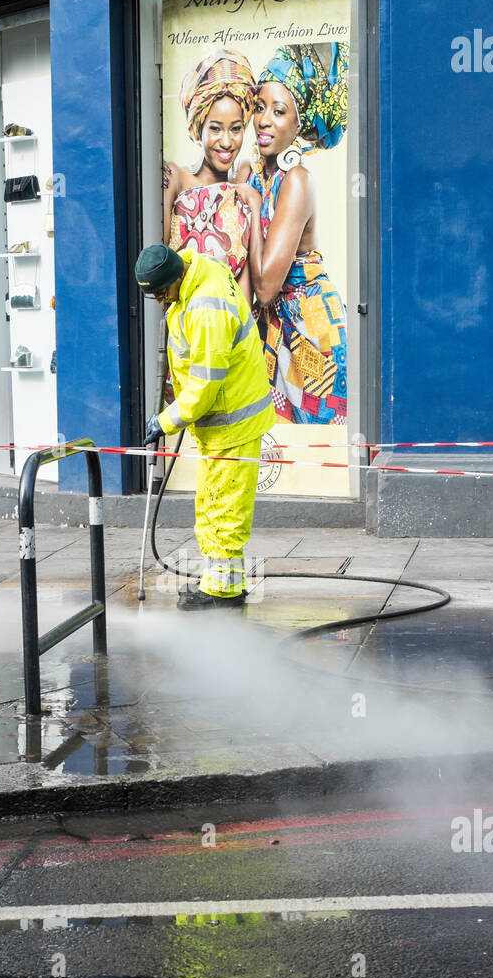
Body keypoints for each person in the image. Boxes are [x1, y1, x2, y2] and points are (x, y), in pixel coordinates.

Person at [135, 243, 275, 610]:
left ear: (175, 279)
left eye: (161, 295)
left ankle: (224, 594)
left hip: (233, 421)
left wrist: (164, 421)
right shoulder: (198, 266)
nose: (160, 303)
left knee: (224, 510)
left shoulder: (206, 309)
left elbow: (203, 388)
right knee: (211, 504)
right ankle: (221, 582)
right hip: (220, 424)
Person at [235, 42, 349, 426]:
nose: (264, 120)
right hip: (271, 328)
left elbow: (266, 287)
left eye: (279, 111)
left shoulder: (296, 181)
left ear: (300, 126)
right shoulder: (253, 175)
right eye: (259, 106)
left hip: (310, 330)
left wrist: (248, 203)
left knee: (315, 455)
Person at [164, 48, 257, 301]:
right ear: (198, 128)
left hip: (232, 334)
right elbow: (156, 267)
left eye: (236, 129)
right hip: (184, 332)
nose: (226, 141)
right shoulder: (175, 177)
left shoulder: (246, 186)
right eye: (215, 128)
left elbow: (248, 291)